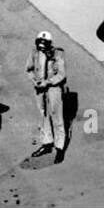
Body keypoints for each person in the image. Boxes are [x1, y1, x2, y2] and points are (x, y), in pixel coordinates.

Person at [27, 32, 68, 164]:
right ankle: (46, 143)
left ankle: (60, 147)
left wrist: (48, 82)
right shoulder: (34, 53)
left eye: (44, 45)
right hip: (39, 88)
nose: (41, 48)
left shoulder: (58, 54)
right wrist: (34, 80)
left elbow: (62, 75)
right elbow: (29, 69)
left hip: (53, 89)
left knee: (57, 117)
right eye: (39, 45)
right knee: (43, 115)